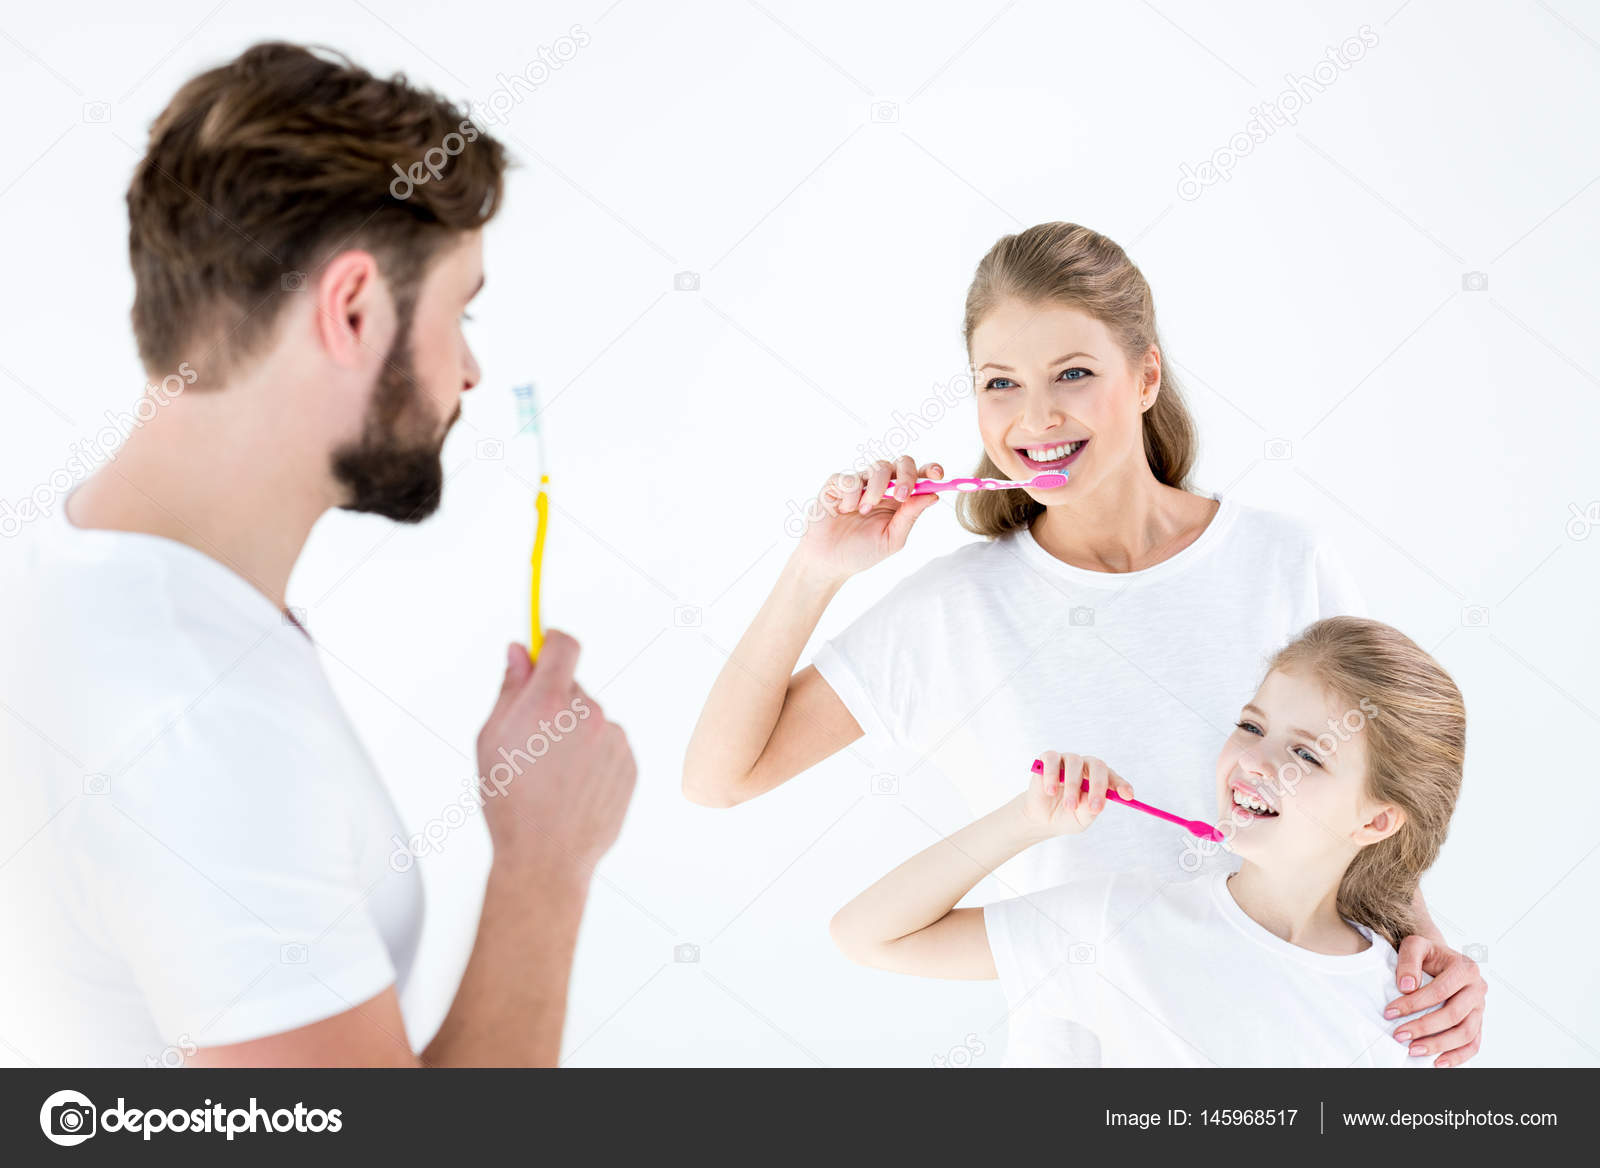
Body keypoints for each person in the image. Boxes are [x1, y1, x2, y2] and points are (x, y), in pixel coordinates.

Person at [684, 222, 1485, 1066]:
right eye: (1000, 383)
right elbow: (717, 779)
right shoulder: (953, 608)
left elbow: (1376, 789)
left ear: (1146, 377)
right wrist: (814, 572)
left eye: (1073, 373)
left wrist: (1428, 957)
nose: (1036, 418)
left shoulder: (1284, 559)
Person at [0, 43, 635, 1067]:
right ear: (352, 309)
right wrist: (545, 863)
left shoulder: (66, 575)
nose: (470, 371)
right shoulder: (202, 721)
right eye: (459, 311)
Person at [831, 617, 1462, 1067]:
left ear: (1375, 822)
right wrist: (1025, 821)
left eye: (1307, 754)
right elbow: (870, 936)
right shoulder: (1120, 923)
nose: (1254, 762)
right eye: (1251, 727)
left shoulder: (1411, 1009)